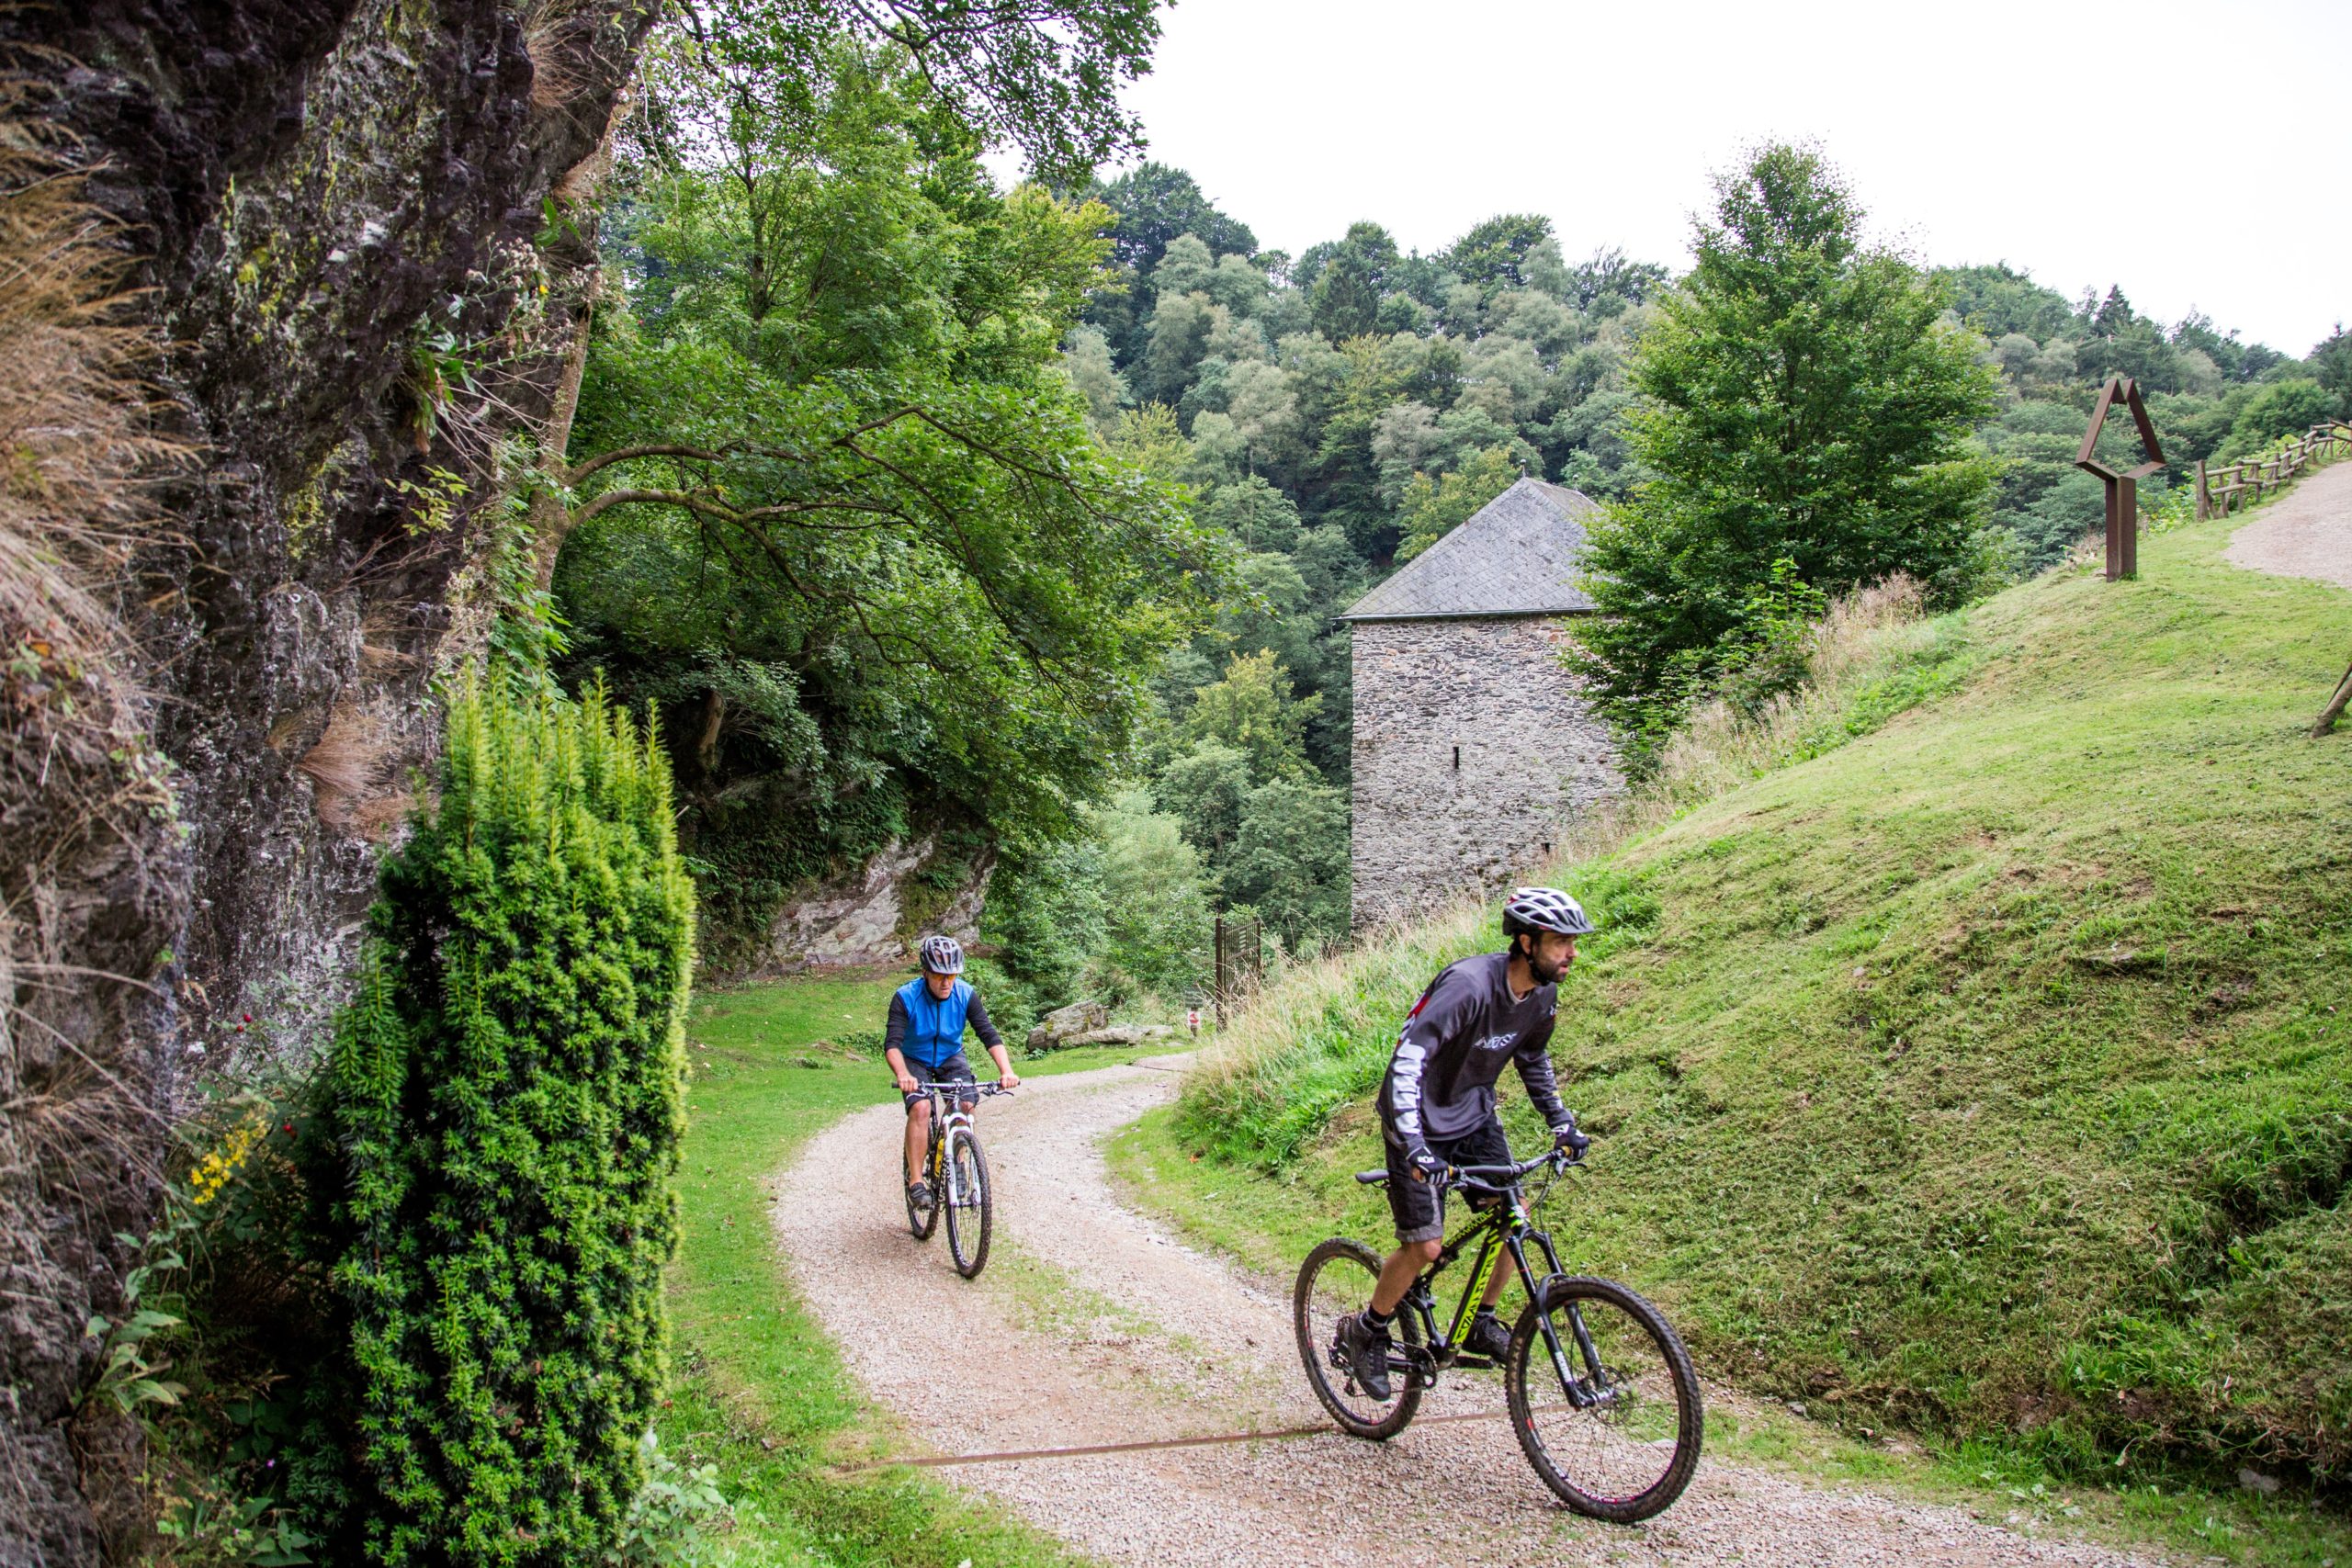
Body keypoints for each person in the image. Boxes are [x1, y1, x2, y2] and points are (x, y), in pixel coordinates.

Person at [1334, 887, 1595, 1399]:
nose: (1572, 952)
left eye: (1573, 942)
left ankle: (1480, 1318)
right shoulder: (1468, 986)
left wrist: (1561, 1122)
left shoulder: (1542, 995)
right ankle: (1367, 1331)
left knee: (1512, 1214)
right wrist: (1413, 1145)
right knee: (1425, 1246)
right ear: (1525, 942)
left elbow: (1533, 1060)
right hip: (1417, 1121)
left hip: (1472, 1115)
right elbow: (1408, 1061)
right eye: (1561, 941)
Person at [885, 935, 1019, 1211]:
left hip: (950, 1056)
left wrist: (1006, 1070)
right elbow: (893, 1044)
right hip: (914, 1058)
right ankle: (917, 1182)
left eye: (952, 975)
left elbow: (988, 1035)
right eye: (938, 975)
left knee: (966, 1104)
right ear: (925, 973)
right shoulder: (905, 997)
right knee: (921, 1108)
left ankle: (957, 1160)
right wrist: (902, 1074)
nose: (946, 982)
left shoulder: (965, 994)